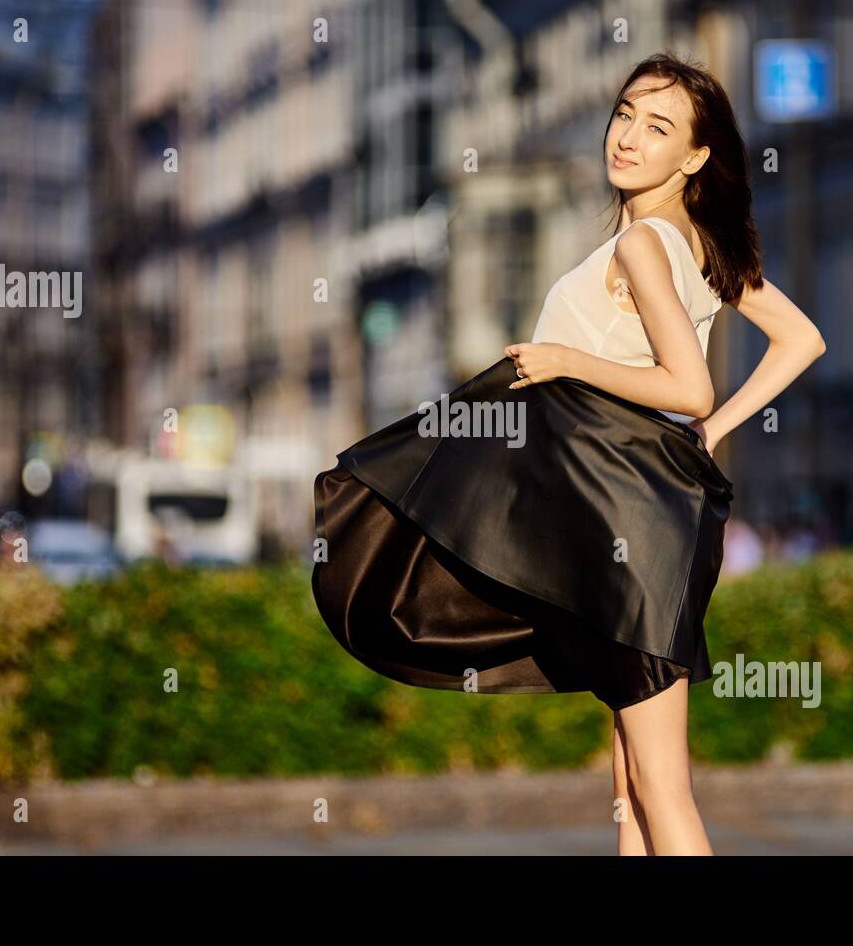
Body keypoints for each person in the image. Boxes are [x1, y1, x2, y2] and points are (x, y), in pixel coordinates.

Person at [312, 53, 825, 855]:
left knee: (659, 785)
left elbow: (685, 388)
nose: (628, 137)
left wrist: (573, 364)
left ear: (694, 157)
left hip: (633, 516)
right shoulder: (699, 244)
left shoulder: (646, 246)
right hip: (637, 512)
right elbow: (802, 339)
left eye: (658, 128)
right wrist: (719, 433)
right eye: (625, 114)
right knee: (630, 786)